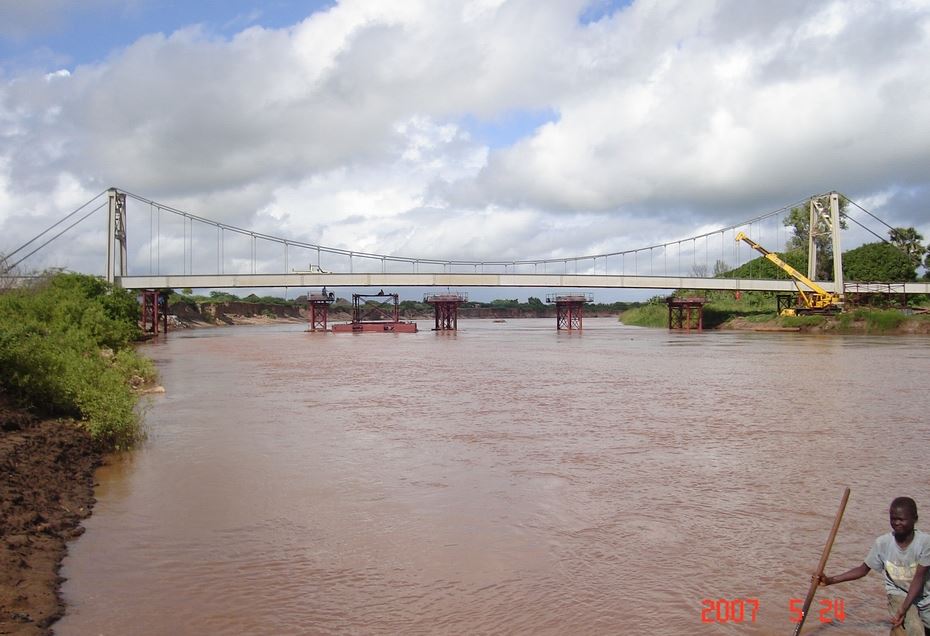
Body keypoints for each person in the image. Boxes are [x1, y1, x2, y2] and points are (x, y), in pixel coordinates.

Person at [820, 497, 930, 635]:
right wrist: (831, 580)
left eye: (901, 519)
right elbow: (863, 569)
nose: (896, 523)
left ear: (915, 519)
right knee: (914, 629)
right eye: (893, 519)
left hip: (924, 595)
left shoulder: (925, 543)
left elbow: (918, 578)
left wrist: (904, 609)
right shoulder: (883, 543)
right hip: (898, 593)